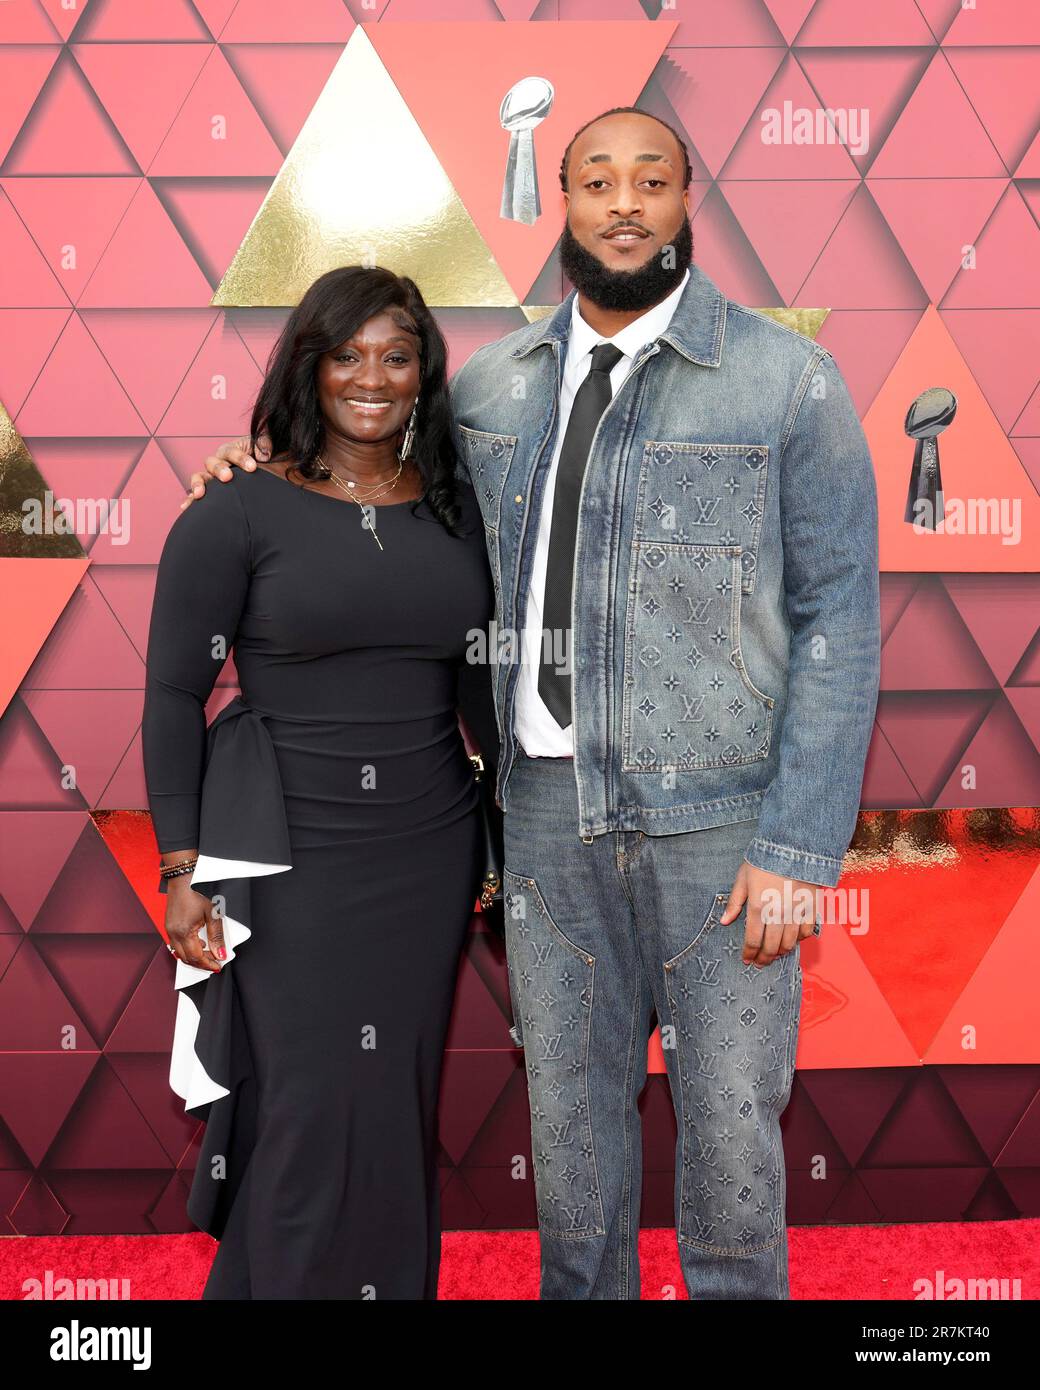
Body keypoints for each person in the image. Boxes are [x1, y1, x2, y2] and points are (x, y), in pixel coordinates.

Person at [189, 106, 881, 1301]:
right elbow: (370, 485)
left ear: (686, 200)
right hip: (545, 825)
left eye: (650, 180)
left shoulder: (784, 382)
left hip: (720, 828)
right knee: (570, 1154)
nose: (623, 204)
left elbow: (840, 620)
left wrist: (797, 845)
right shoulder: (490, 389)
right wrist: (255, 474)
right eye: (596, 180)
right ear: (561, 203)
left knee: (731, 1146)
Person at [143, 265, 498, 1300]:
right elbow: (173, 695)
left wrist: (506, 840)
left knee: (392, 1095)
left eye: (397, 356)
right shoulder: (235, 511)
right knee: (309, 1095)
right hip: (290, 855)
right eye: (347, 354)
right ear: (311, 366)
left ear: (425, 374)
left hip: (428, 850)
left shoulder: (458, 512)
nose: (371, 377)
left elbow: (478, 689)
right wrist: (182, 867)